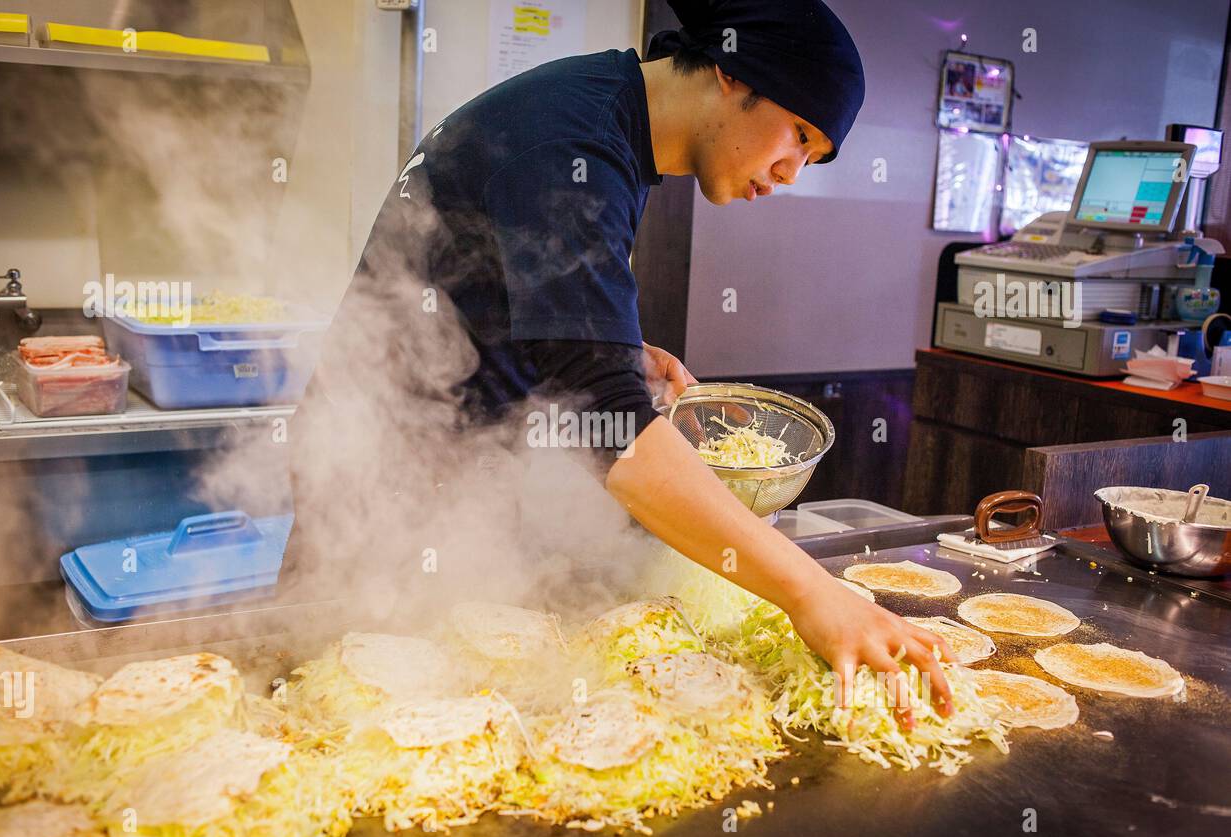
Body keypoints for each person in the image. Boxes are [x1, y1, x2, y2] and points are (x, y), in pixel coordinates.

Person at [331, 0, 955, 725]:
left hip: (447, 485)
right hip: (390, 504)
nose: (790, 172)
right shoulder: (575, 145)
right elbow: (610, 430)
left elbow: (512, 309)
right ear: (732, 73)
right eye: (799, 136)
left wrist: (617, 354)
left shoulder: (601, 117)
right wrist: (814, 593)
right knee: (359, 733)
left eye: (812, 160)